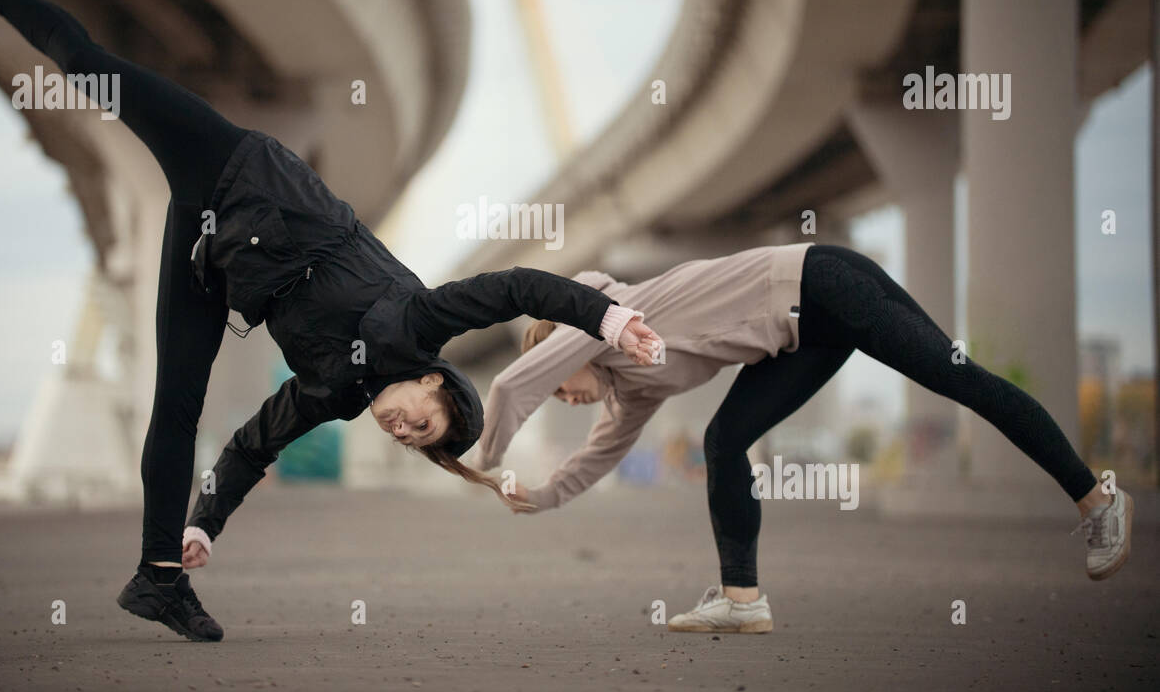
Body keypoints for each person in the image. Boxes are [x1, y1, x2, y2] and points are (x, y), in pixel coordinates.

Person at [0, 0, 663, 642]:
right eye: (422, 423)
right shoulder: (421, 320)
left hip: (215, 259)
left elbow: (249, 447)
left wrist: (203, 523)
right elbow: (521, 286)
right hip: (239, 171)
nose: (402, 431)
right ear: (433, 380)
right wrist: (608, 320)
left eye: (411, 442)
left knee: (177, 407)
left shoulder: (336, 393)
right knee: (91, 68)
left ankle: (159, 575)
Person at [468, 242, 1133, 634]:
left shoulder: (589, 311)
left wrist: (482, 462)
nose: (567, 396)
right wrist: (545, 494)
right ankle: (741, 600)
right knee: (725, 440)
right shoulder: (632, 387)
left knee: (961, 381)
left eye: (563, 384)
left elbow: (508, 387)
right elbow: (600, 453)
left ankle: (1096, 500)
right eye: (559, 395)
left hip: (823, 280)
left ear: (567, 348)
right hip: (801, 332)